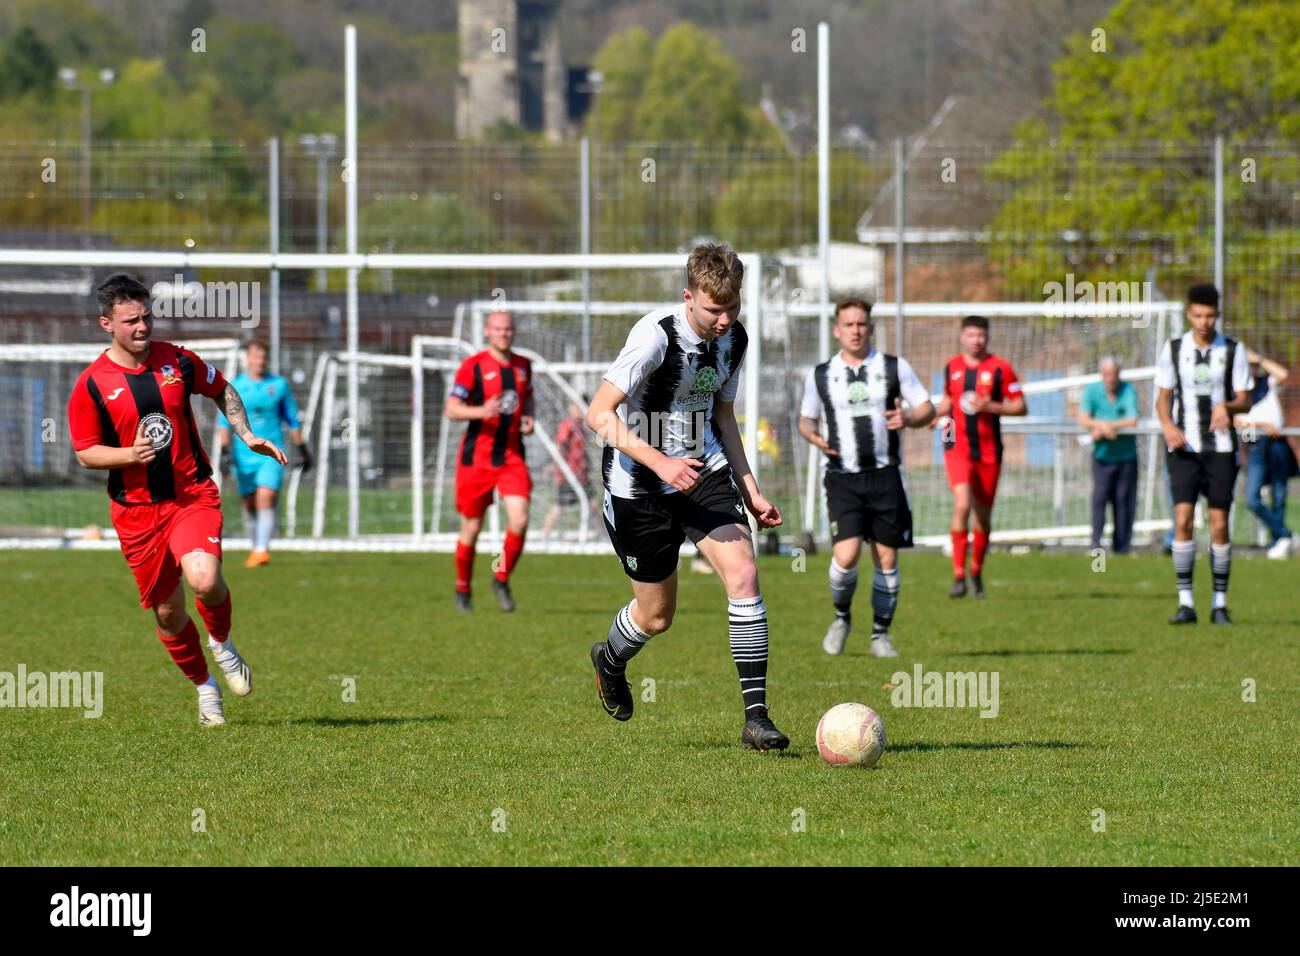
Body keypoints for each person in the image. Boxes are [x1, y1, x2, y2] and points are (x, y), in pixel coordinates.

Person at [585, 242, 787, 751]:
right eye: (714, 309)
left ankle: (756, 718)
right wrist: (661, 463)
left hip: (705, 470)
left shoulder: (734, 340)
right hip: (639, 483)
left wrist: (751, 490)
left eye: (733, 307)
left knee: (744, 574)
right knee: (656, 617)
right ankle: (609, 660)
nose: (724, 319)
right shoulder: (655, 337)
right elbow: (599, 414)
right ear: (689, 297)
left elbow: (722, 415)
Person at [66, 274, 286, 726]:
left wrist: (246, 434)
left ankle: (222, 644)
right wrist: (129, 454)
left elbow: (221, 388)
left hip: (190, 495)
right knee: (169, 614)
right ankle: (206, 689)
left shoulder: (178, 361)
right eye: (131, 321)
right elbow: (85, 451)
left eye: (147, 316)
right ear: (106, 323)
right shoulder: (91, 384)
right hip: (136, 511)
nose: (143, 327)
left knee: (204, 579)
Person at [798, 297, 934, 659]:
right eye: (849, 324)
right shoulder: (822, 374)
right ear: (837, 330)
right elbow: (805, 420)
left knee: (886, 559)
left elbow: (926, 408)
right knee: (846, 555)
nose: (856, 331)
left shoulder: (893, 367)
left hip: (885, 476)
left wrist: (908, 418)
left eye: (862, 324)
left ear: (870, 328)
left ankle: (880, 635)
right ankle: (841, 618)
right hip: (843, 477)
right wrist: (813, 436)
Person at [1154, 283, 1253, 625]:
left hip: (1221, 450)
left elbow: (1245, 397)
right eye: (1198, 315)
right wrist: (1168, 426)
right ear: (1188, 313)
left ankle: (1219, 604)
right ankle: (1185, 604)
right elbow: (1163, 397)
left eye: (1210, 315)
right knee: (1182, 520)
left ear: (1218, 314)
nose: (1204, 322)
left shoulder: (1234, 350)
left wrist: (1227, 405)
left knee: (1219, 525)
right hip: (1184, 449)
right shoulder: (1174, 348)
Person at [931, 315, 1027, 598]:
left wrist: (990, 406)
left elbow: (1021, 406)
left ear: (987, 337)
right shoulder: (952, 367)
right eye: (971, 334)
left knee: (982, 517)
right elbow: (949, 399)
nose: (976, 340)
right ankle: (958, 576)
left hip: (989, 451)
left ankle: (976, 571)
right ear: (962, 336)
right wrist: (933, 414)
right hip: (955, 444)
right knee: (962, 504)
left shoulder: (1001, 368)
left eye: (981, 335)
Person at [446, 311, 534, 612]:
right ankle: (463, 590)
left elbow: (528, 398)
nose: (503, 334)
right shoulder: (472, 367)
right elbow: (452, 408)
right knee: (471, 527)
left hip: (510, 456)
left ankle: (501, 576)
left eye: (508, 329)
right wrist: (480, 411)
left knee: (520, 519)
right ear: (487, 332)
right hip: (476, 459)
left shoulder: (524, 366)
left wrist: (528, 418)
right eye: (497, 329)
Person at [216, 340, 311, 567]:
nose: (259, 360)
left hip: (271, 451)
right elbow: (224, 422)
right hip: (243, 454)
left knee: (265, 498)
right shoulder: (235, 385)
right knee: (250, 503)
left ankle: (261, 550)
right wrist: (224, 452)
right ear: (247, 358)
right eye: (255, 356)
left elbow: (291, 418)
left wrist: (303, 449)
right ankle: (256, 545)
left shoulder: (278, 385)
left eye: (262, 356)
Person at [1235, 349, 1294, 559]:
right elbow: (1237, 421)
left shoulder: (1265, 383)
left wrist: (1258, 357)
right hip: (1255, 445)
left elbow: (1283, 374)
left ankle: (1278, 541)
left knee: (1279, 495)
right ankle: (1285, 534)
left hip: (1277, 443)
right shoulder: (1236, 392)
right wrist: (1262, 425)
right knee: (1252, 498)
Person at [1077, 356, 1139, 553]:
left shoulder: (1128, 390)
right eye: (1107, 375)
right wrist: (1101, 427)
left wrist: (1108, 426)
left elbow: (1132, 419)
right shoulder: (1092, 390)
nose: (1110, 378)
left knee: (1123, 502)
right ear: (1101, 375)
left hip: (1126, 457)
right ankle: (1095, 544)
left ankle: (1122, 547)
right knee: (1099, 499)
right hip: (1102, 457)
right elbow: (1083, 418)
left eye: (1114, 374)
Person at [540, 397, 593, 538]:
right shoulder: (568, 425)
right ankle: (544, 534)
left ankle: (603, 535)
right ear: (571, 407)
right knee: (558, 507)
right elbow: (560, 447)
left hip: (581, 475)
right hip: (568, 475)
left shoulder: (582, 426)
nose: (580, 410)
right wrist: (554, 465)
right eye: (577, 406)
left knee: (593, 505)